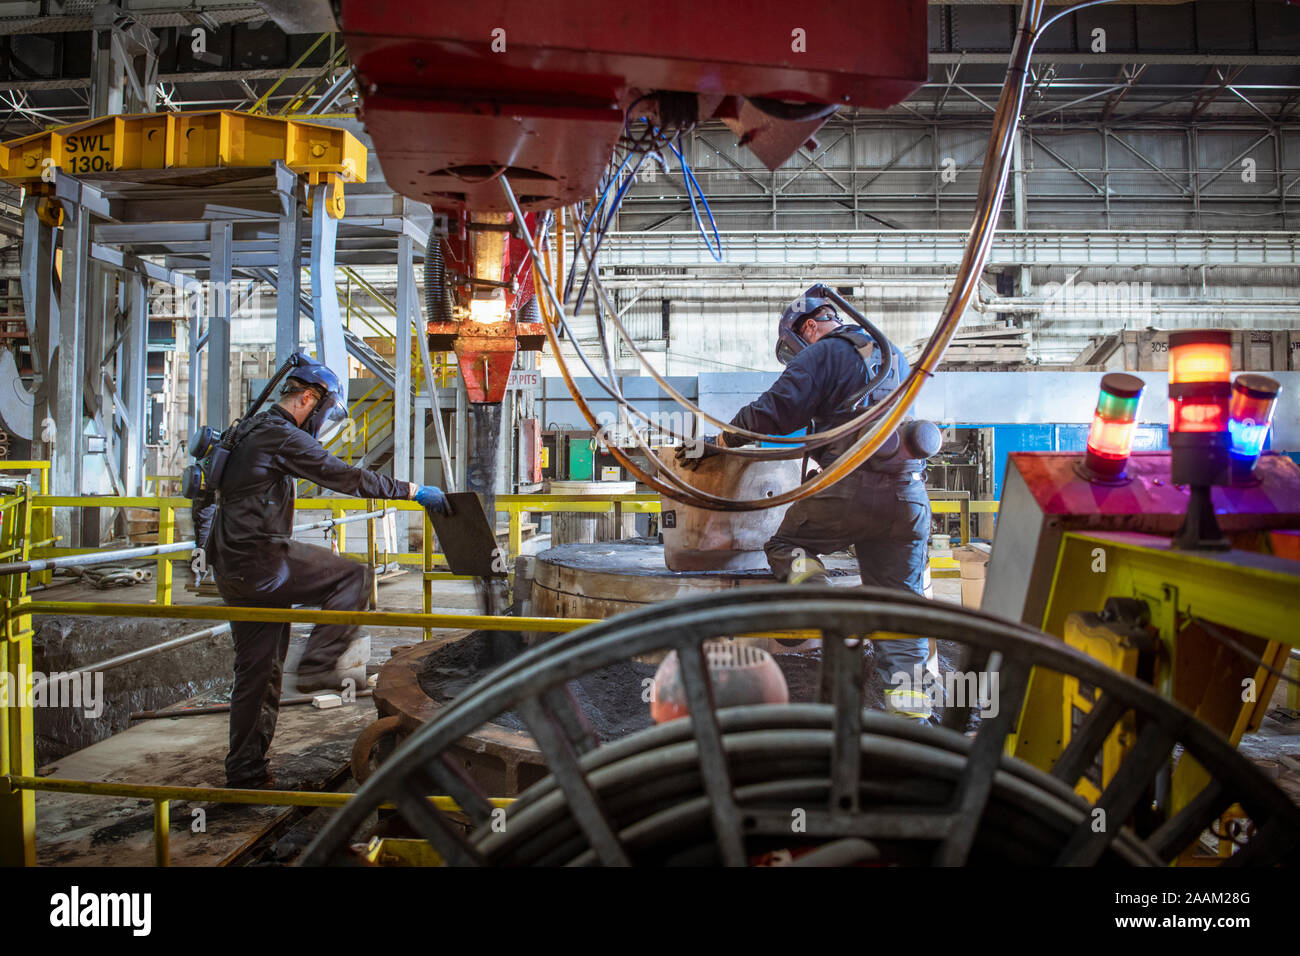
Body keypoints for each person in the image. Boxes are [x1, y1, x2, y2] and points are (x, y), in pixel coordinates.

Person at [681, 285, 934, 722]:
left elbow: (774, 412)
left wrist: (721, 440)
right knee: (902, 607)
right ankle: (914, 726)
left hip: (850, 486)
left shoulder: (825, 352)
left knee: (787, 546)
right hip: (908, 498)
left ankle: (826, 606)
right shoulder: (892, 355)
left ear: (810, 327)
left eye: (795, 346)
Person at [205, 353, 449, 788]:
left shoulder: (247, 430)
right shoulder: (280, 435)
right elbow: (344, 476)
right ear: (307, 399)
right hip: (261, 560)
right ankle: (318, 666)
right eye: (323, 410)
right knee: (353, 577)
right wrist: (412, 490)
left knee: (257, 672)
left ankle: (246, 771)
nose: (321, 421)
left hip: (231, 564)